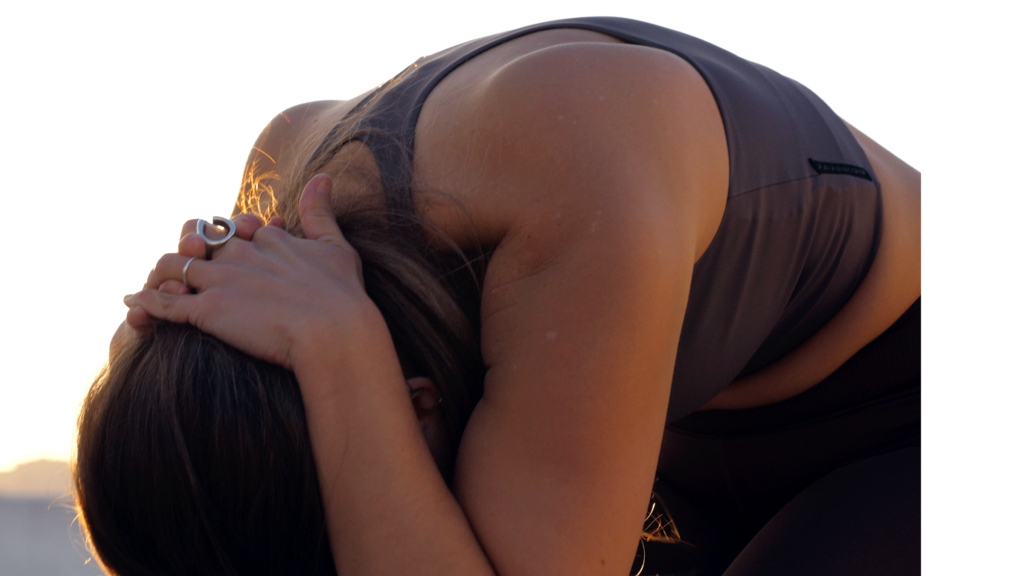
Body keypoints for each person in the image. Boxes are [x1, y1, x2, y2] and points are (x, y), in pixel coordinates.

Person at [76, 16, 921, 576]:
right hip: (689, 442)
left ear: (412, 403)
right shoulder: (286, 179)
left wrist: (342, 358)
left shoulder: (568, 182)